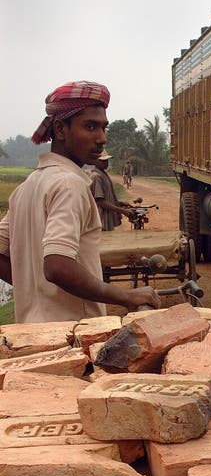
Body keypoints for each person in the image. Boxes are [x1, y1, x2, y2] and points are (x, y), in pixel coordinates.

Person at [0, 80, 160, 323]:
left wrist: (33, 287)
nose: (101, 138)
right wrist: (126, 296)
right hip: (72, 332)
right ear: (60, 129)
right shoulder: (69, 184)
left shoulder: (28, 186)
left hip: (30, 332)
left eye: (103, 128)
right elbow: (57, 266)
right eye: (90, 126)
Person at [90, 150, 135, 231]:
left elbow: (106, 198)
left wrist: (120, 203)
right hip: (101, 220)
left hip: (106, 219)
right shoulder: (96, 177)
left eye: (107, 160)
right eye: (103, 161)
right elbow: (101, 202)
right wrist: (123, 211)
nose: (106, 163)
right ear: (95, 161)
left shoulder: (103, 174)